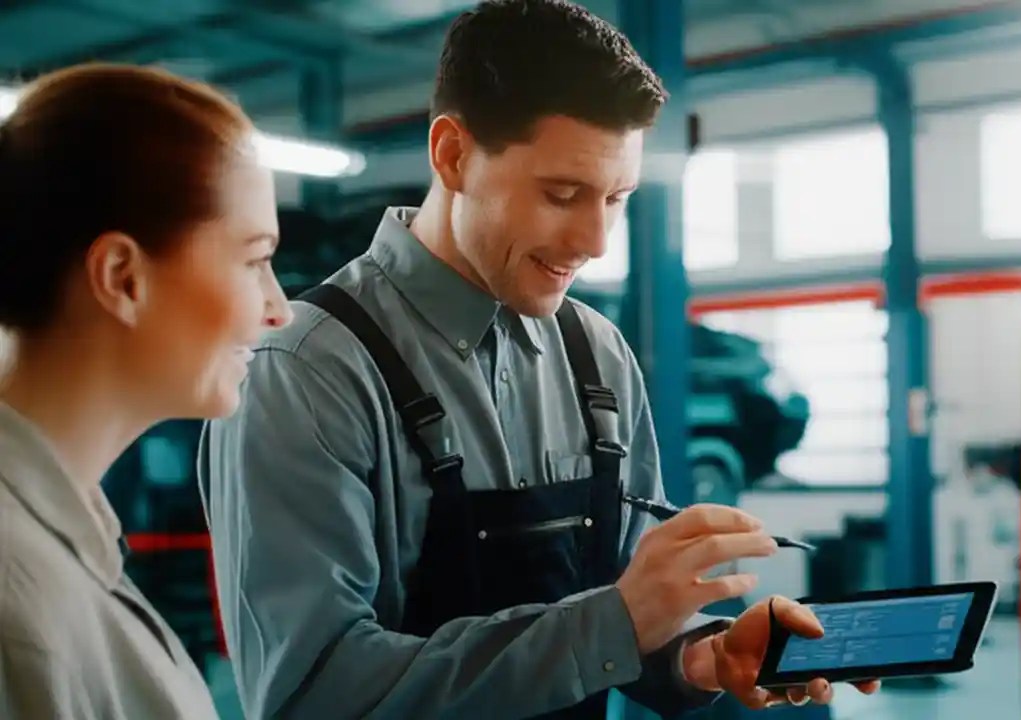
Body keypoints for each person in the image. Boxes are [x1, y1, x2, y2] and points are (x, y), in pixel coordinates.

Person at [199, 1, 877, 718]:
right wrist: (611, 622)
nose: (595, 240)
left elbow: (627, 623)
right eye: (563, 194)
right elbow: (314, 693)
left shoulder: (599, 356)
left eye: (616, 199)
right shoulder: (304, 372)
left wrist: (702, 653)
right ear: (452, 155)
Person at [0, 63, 293, 718]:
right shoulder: (18, 607)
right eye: (254, 261)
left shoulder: (60, 544)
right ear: (122, 277)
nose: (279, 309)